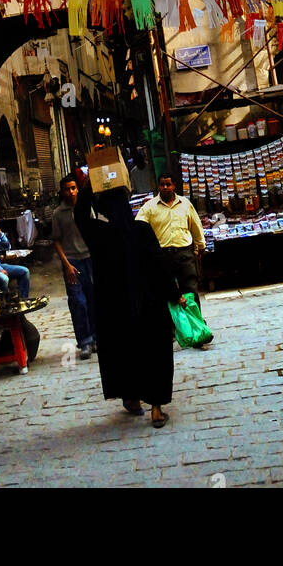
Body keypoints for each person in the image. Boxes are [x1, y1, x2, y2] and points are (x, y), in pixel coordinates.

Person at [74, 178, 182, 428]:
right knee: (154, 352)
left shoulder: (99, 235)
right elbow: (159, 264)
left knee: (123, 352)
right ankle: (156, 408)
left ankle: (132, 398)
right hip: (148, 305)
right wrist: (174, 292)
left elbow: (80, 213)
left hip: (116, 308)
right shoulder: (142, 230)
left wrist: (92, 182)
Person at [135, 172, 205, 311]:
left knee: (191, 291)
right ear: (158, 186)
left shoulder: (185, 204)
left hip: (184, 253)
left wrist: (200, 245)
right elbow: (138, 227)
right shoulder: (149, 207)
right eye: (162, 184)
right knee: (167, 294)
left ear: (174, 186)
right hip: (162, 257)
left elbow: (195, 225)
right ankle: (174, 328)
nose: (165, 187)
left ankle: (197, 324)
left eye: (168, 184)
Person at [51, 175, 96, 360]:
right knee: (78, 302)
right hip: (72, 262)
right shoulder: (58, 214)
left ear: (77, 189)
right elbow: (57, 241)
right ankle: (84, 341)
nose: (70, 192)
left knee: (94, 300)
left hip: (89, 258)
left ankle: (96, 338)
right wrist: (66, 264)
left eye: (73, 188)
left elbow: (94, 230)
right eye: (67, 189)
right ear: (62, 192)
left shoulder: (86, 208)